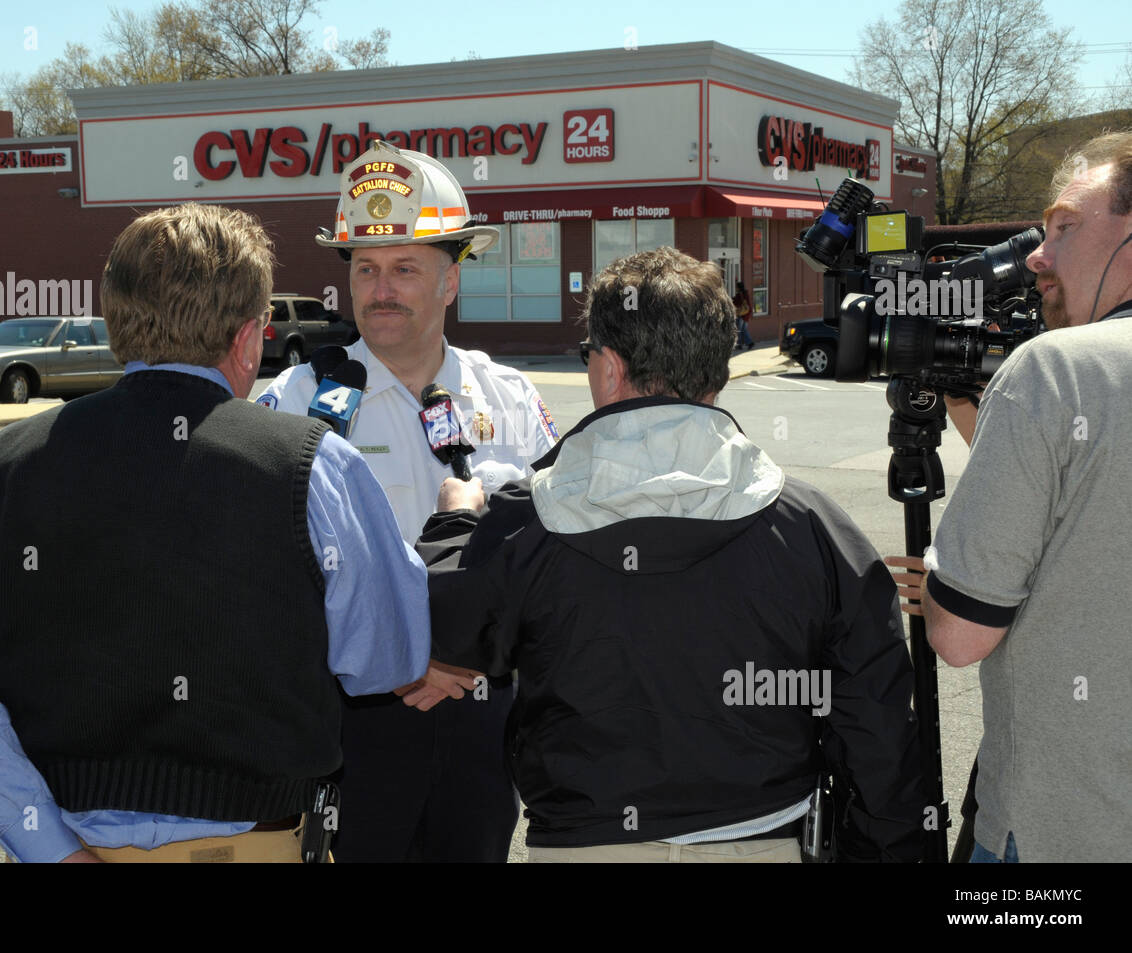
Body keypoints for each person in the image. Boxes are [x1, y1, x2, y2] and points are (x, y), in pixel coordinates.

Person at [0, 203, 431, 863]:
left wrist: (47, 845)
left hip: (64, 842)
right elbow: (387, 661)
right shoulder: (312, 463)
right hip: (252, 845)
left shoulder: (9, 462)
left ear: (116, 322)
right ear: (247, 337)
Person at [416, 246, 926, 862]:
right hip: (764, 842)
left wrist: (455, 519)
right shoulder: (815, 525)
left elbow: (434, 634)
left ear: (607, 368)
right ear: (718, 372)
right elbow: (876, 720)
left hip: (586, 846)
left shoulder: (527, 519)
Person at [261, 140, 559, 862]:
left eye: (404, 269)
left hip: (484, 716)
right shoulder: (298, 402)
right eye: (365, 268)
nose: (380, 288)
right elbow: (265, 571)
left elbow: (559, 558)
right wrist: (398, 659)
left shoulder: (508, 397)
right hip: (355, 722)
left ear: (451, 282)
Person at [893, 131, 1132, 863]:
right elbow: (1088, 493)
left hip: (1059, 834)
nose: (1035, 254)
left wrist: (941, 584)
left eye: (1063, 226)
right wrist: (978, 410)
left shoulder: (1055, 370)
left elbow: (959, 637)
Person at [733, 280, 755, 350]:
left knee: (739, 330)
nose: (735, 288)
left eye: (736, 287)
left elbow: (736, 302)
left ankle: (740, 344)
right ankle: (749, 343)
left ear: (739, 288)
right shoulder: (746, 293)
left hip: (741, 315)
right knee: (743, 329)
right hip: (747, 314)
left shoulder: (740, 295)